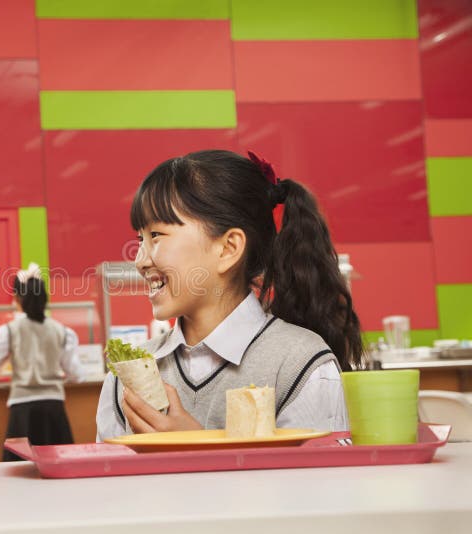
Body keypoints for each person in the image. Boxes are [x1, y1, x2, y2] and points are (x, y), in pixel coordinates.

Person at [96, 150, 364, 440]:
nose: (140, 260)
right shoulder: (121, 381)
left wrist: (197, 445)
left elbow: (320, 484)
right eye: (140, 239)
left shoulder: (302, 366)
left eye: (156, 235)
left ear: (228, 248)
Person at [0, 263, 86, 460]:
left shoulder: (8, 331)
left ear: (17, 299)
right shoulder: (62, 331)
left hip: (22, 410)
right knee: (58, 465)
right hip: (54, 408)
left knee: (19, 471)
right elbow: (76, 374)